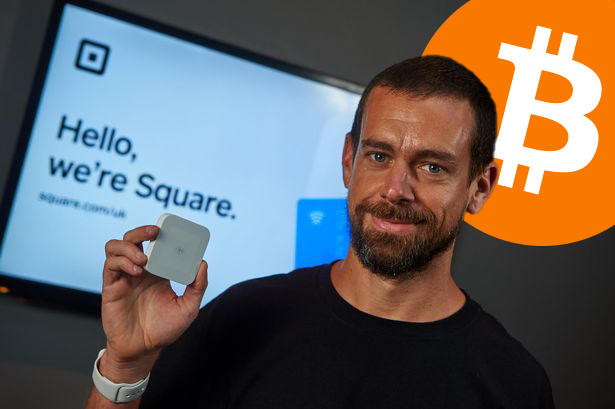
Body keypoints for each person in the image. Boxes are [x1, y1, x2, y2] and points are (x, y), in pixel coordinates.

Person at [84, 55, 555, 409]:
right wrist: (125, 365)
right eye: (379, 156)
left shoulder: (513, 384)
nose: (396, 189)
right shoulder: (243, 317)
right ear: (349, 161)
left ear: (479, 187)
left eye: (432, 166)